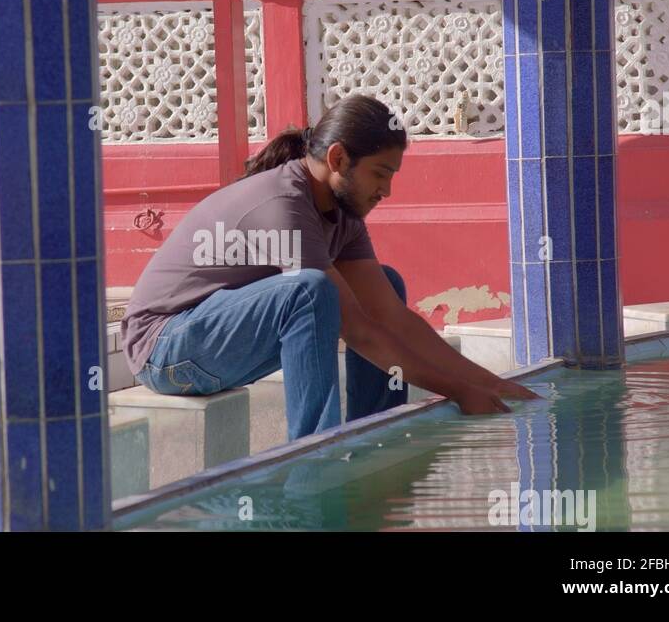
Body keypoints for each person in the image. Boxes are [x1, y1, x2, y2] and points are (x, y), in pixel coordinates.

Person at [120, 95, 539, 441]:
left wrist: (491, 383)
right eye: (380, 173)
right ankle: (314, 451)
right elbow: (359, 330)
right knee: (309, 290)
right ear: (338, 159)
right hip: (165, 349)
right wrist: (460, 391)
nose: (387, 191)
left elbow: (391, 318)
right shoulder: (283, 205)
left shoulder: (344, 214)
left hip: (213, 343)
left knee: (385, 285)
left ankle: (377, 436)